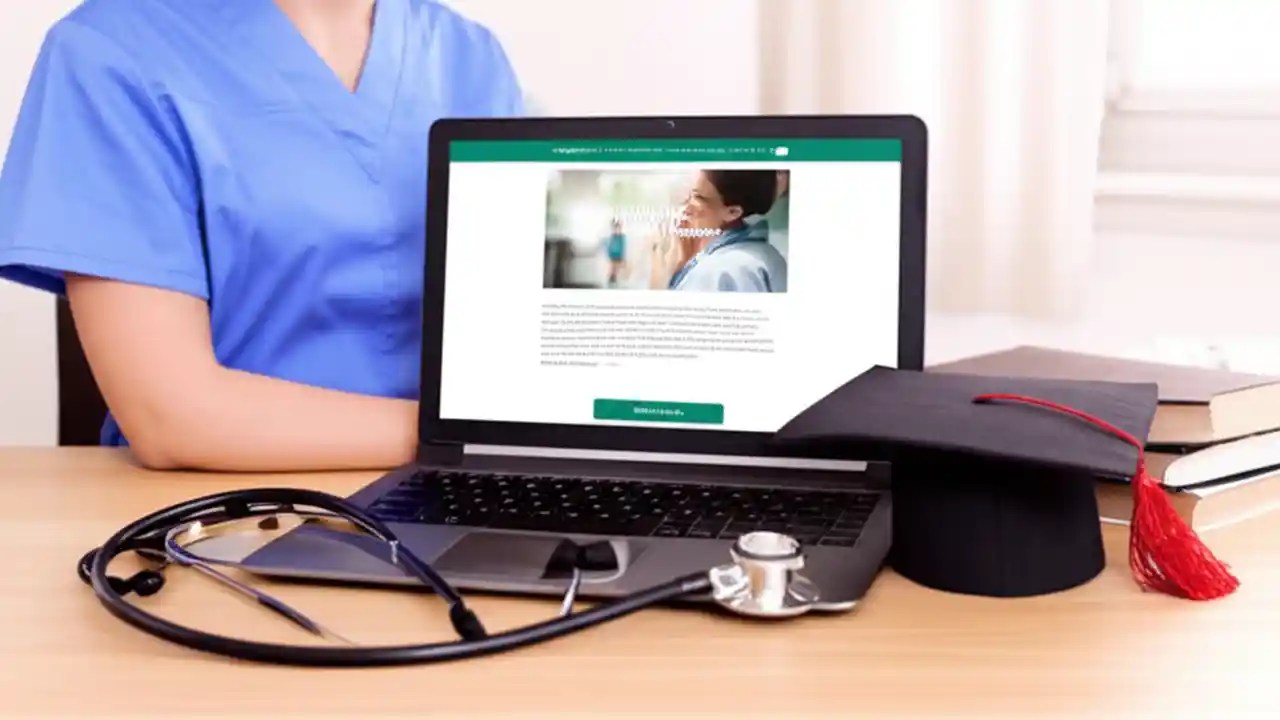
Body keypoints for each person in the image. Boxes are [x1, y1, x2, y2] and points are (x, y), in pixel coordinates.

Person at [0, 0, 524, 471]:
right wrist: (476, 436)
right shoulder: (109, 49)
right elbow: (171, 418)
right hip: (213, 509)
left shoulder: (468, 55)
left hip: (459, 491)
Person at [651, 170, 788, 293]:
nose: (686, 207)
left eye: (698, 197)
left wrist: (660, 285)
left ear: (732, 212)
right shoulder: (768, 254)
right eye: (689, 194)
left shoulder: (718, 270)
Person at [604, 219, 627, 287]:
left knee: (616, 268)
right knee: (613, 267)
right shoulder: (612, 236)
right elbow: (609, 246)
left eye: (619, 228)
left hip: (618, 254)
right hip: (613, 254)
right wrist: (609, 253)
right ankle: (611, 280)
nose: (617, 230)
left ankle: (613, 279)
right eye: (616, 228)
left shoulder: (622, 237)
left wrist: (623, 257)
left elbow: (623, 247)